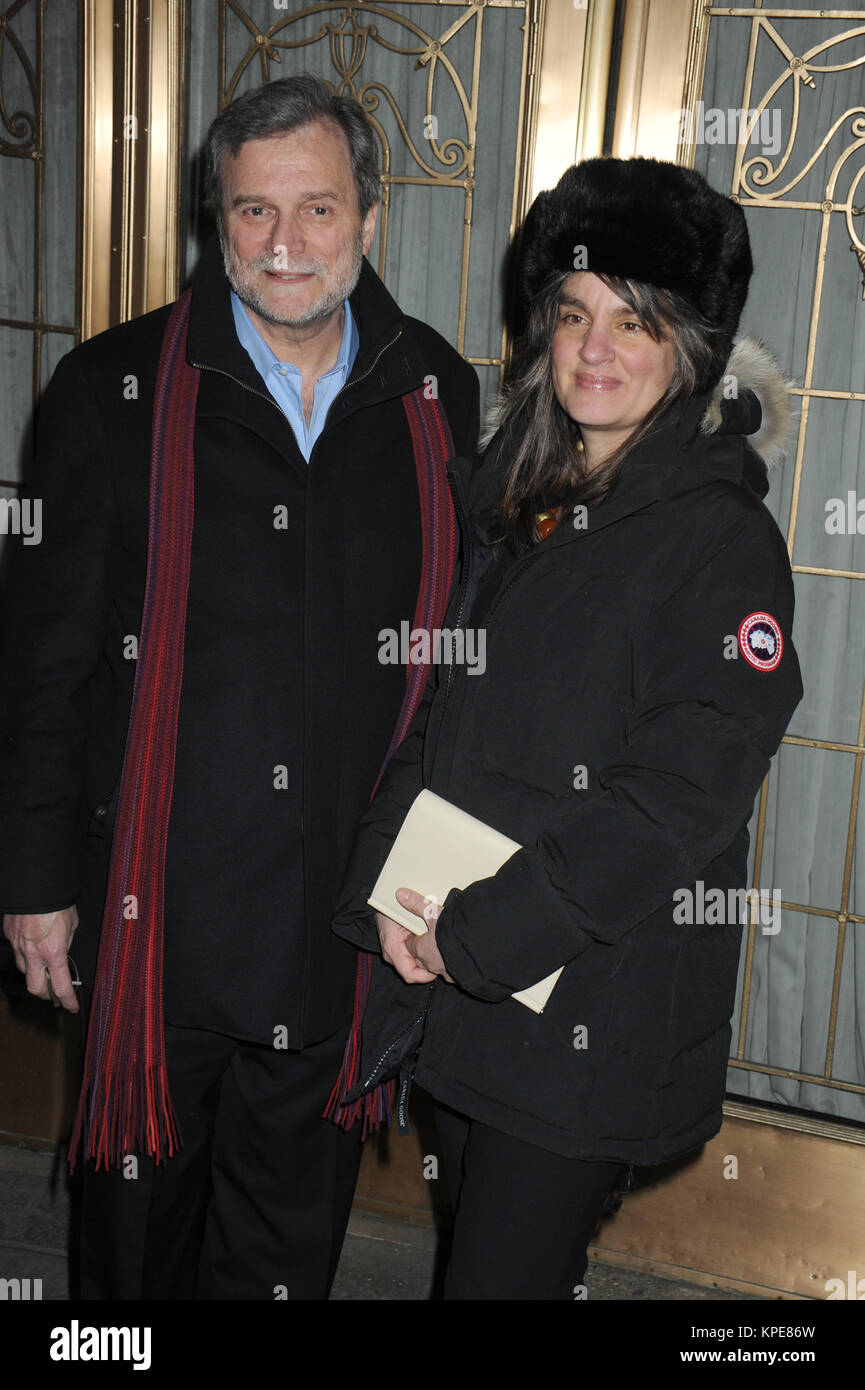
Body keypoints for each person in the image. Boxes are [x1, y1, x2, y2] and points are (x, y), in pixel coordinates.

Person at [0, 75, 478, 1299]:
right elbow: (42, 662)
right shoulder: (109, 394)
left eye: (316, 209)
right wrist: (36, 882)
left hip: (339, 925)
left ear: (370, 216)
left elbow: (459, 670)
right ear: (216, 222)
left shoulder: (438, 396)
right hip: (153, 917)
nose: (284, 245)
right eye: (252, 212)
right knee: (130, 1263)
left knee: (282, 1259)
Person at [333, 157, 803, 1300]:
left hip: (589, 1005)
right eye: (574, 315)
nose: (593, 349)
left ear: (687, 348)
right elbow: (440, 709)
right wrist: (393, 901)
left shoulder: (723, 543)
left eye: (633, 323)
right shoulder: (524, 497)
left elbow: (671, 804)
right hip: (465, 974)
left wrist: (476, 937)